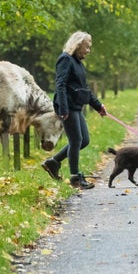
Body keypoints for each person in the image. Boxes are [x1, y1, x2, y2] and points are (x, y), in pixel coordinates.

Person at [41, 31, 107, 189]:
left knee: (84, 140)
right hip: (67, 107)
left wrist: (98, 106)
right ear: (78, 44)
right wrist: (63, 108)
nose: (89, 51)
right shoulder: (65, 59)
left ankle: (54, 162)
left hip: (76, 106)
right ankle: (75, 178)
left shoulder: (78, 62)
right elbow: (60, 84)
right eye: (87, 47)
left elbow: (84, 88)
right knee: (76, 140)